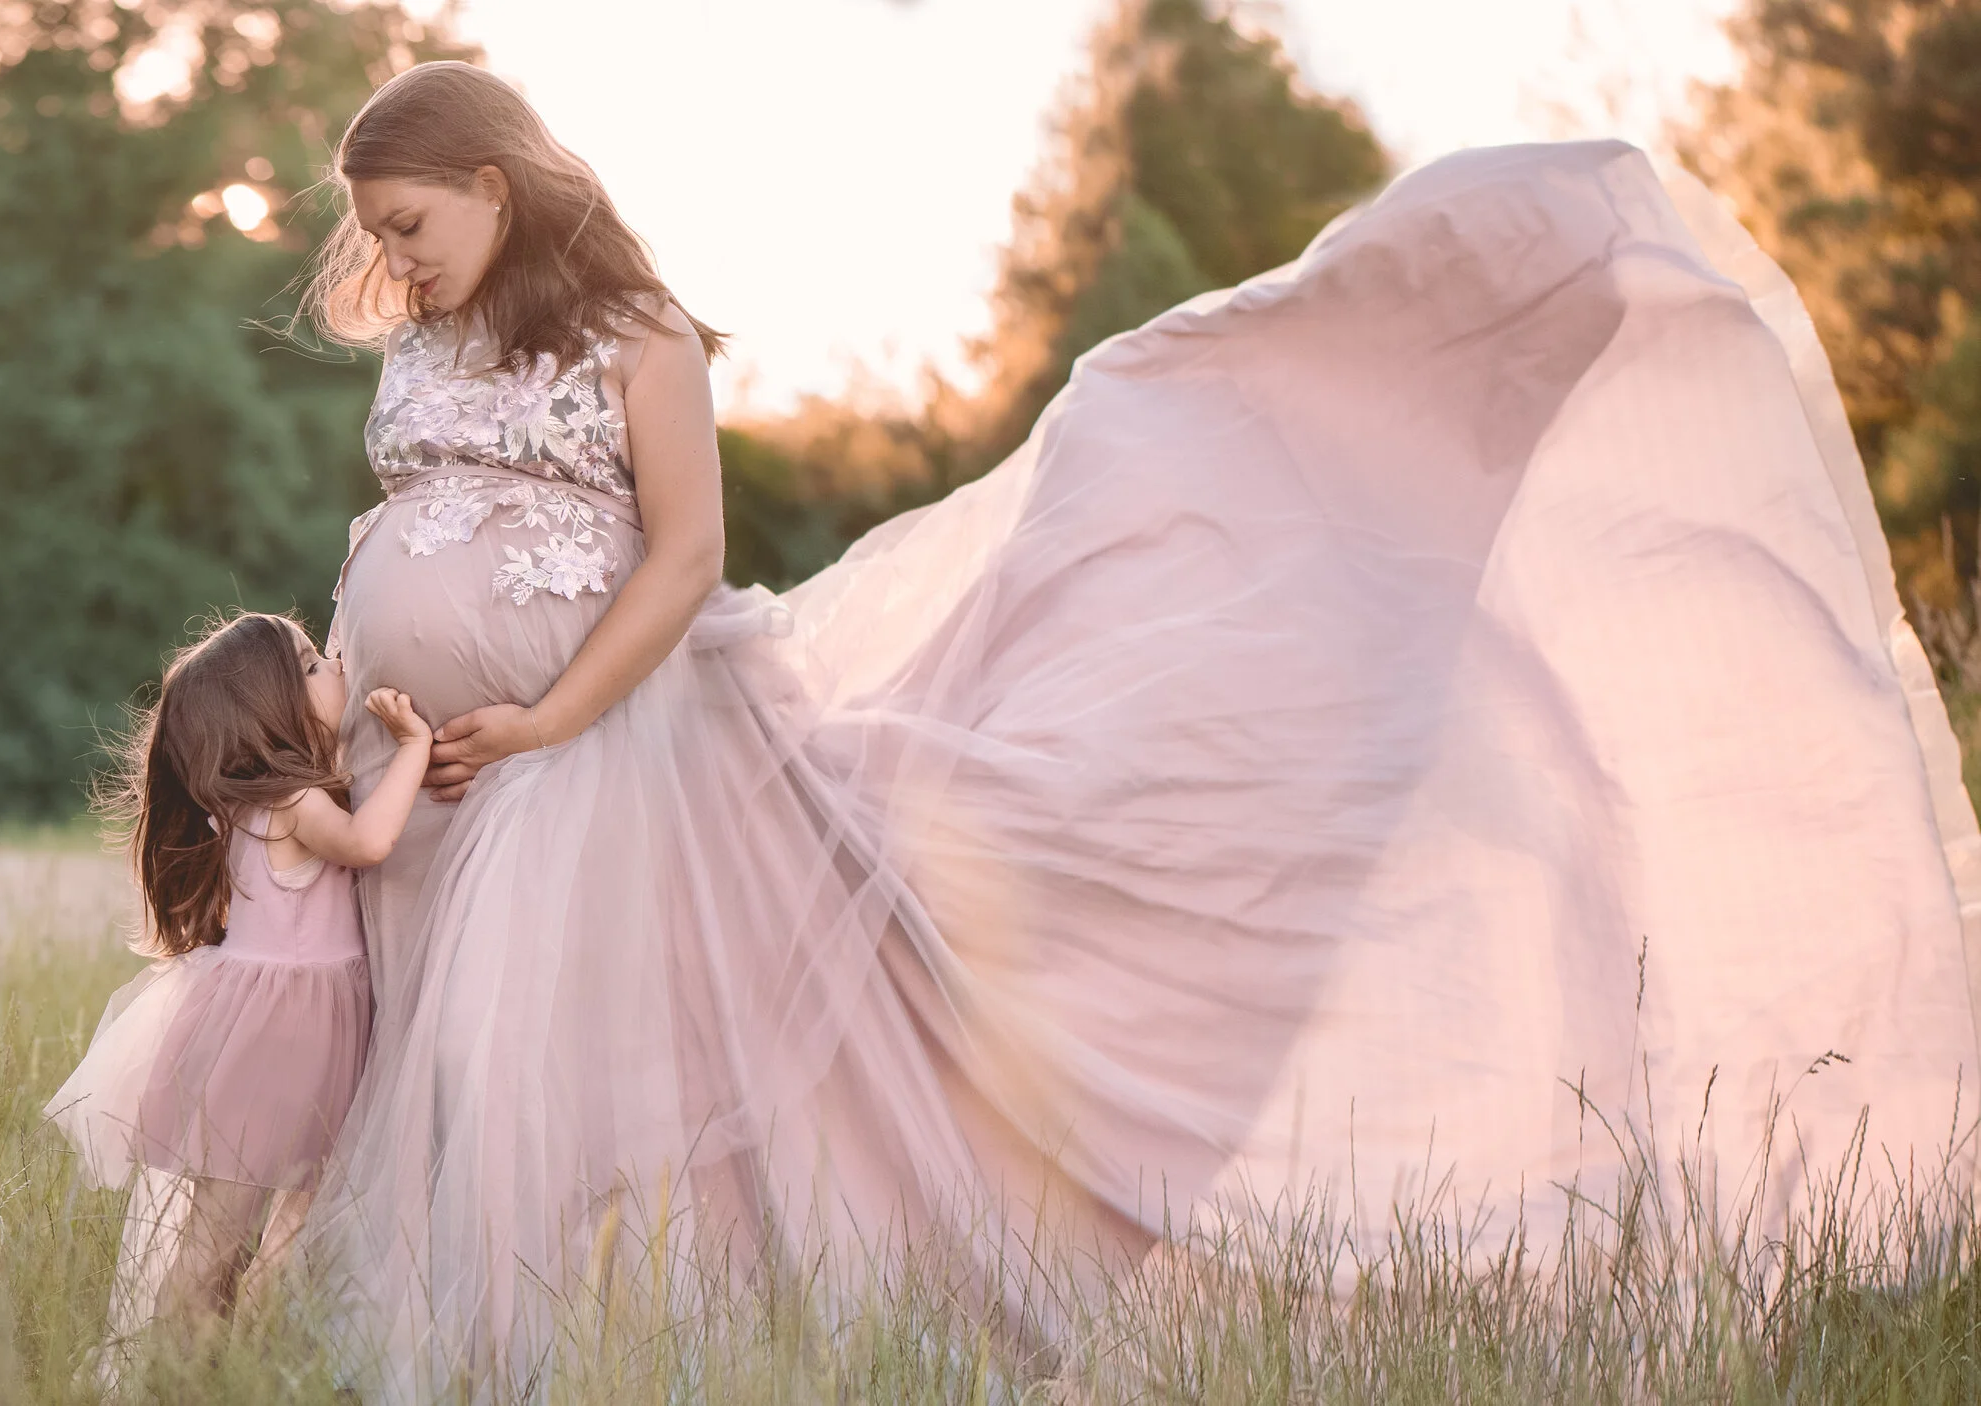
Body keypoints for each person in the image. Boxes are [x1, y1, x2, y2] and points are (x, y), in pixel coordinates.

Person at [301, 60, 1981, 1394]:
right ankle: (453, 1339)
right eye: (376, 233)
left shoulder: (638, 336)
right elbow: (397, 535)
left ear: (498, 186)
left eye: (411, 222)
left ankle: (662, 1343)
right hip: (421, 779)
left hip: (607, 750)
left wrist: (547, 717)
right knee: (437, 1060)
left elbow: (686, 557)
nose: (394, 258)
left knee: (713, 1038)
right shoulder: (420, 348)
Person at [43, 611, 430, 1365]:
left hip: (281, 1027)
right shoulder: (292, 802)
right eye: (313, 666)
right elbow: (369, 843)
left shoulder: (257, 800)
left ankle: (217, 1358)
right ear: (268, 710)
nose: (336, 666)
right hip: (281, 1037)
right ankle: (174, 1363)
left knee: (254, 1222)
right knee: (233, 1227)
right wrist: (413, 746)